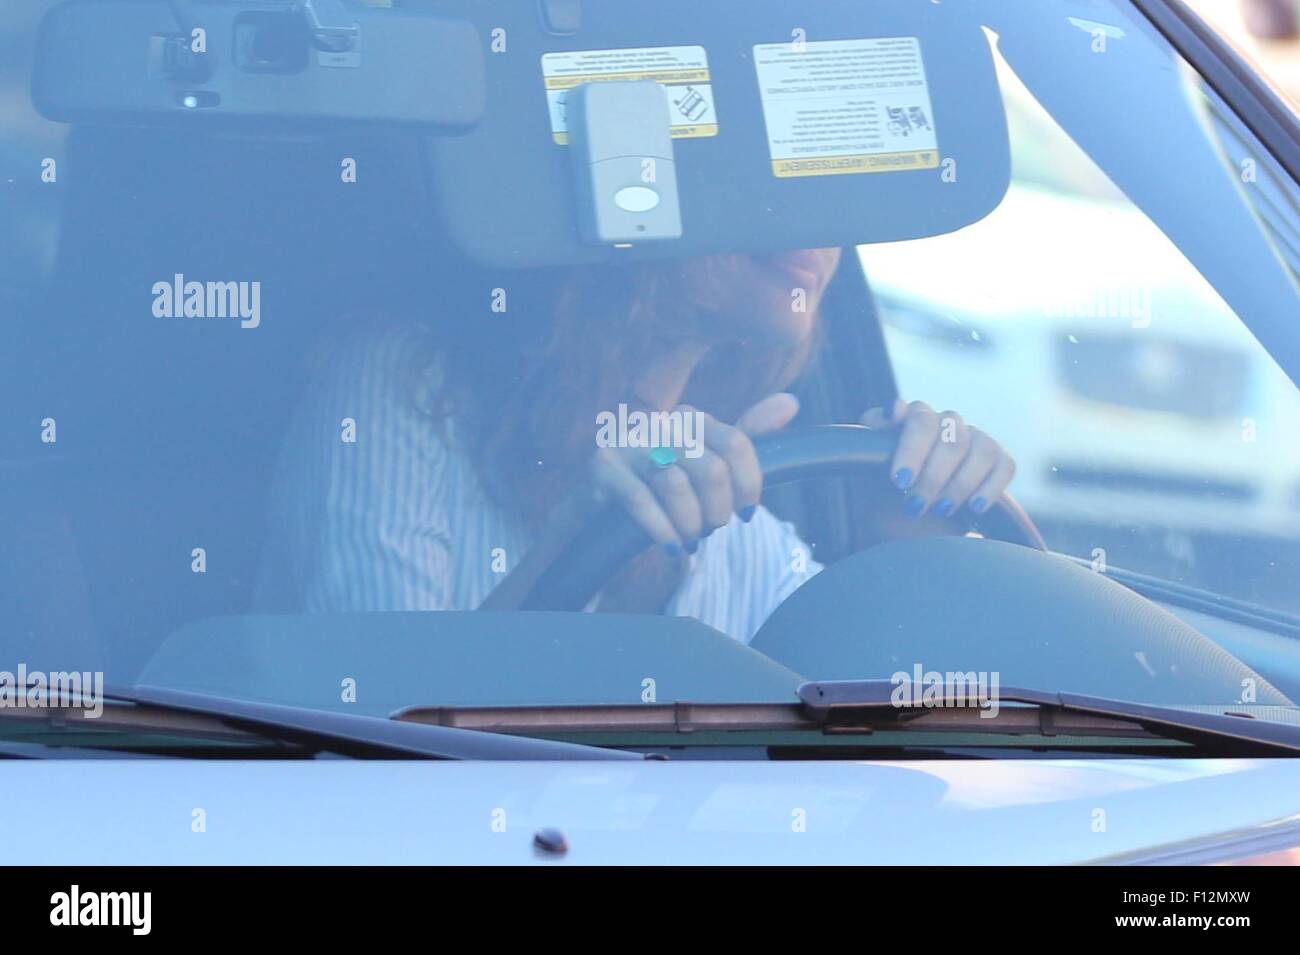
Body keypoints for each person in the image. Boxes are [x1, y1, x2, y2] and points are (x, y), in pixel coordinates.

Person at [256, 248, 1015, 644]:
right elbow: (376, 741)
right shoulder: (407, 391)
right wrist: (572, 547)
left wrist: (909, 553)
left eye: (819, 173)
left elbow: (870, 751)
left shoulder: (740, 506)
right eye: (757, 169)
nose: (811, 218)